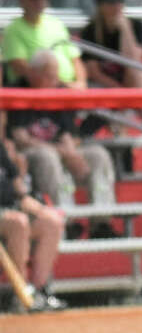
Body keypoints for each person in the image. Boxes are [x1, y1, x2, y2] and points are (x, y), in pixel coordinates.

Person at [6, 50, 117, 215]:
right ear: (34, 74)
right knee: (47, 157)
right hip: (30, 152)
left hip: (59, 149)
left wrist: (71, 154)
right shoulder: (17, 91)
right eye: (50, 76)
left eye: (56, 75)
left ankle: (101, 221)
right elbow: (21, 138)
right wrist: (63, 152)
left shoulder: (58, 90)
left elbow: (67, 133)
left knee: (97, 155)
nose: (55, 81)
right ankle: (63, 219)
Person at [0, 137, 67, 312]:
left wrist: (27, 200)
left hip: (10, 208)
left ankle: (39, 290)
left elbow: (16, 185)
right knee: (18, 222)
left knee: (51, 221)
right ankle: (21, 295)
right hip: (7, 218)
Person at [1, 0, 85, 88]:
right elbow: (19, 66)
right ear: (21, 0)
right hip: (35, 89)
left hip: (67, 88)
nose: (39, 0)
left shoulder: (57, 24)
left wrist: (81, 83)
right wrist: (58, 84)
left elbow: (75, 59)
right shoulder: (13, 29)